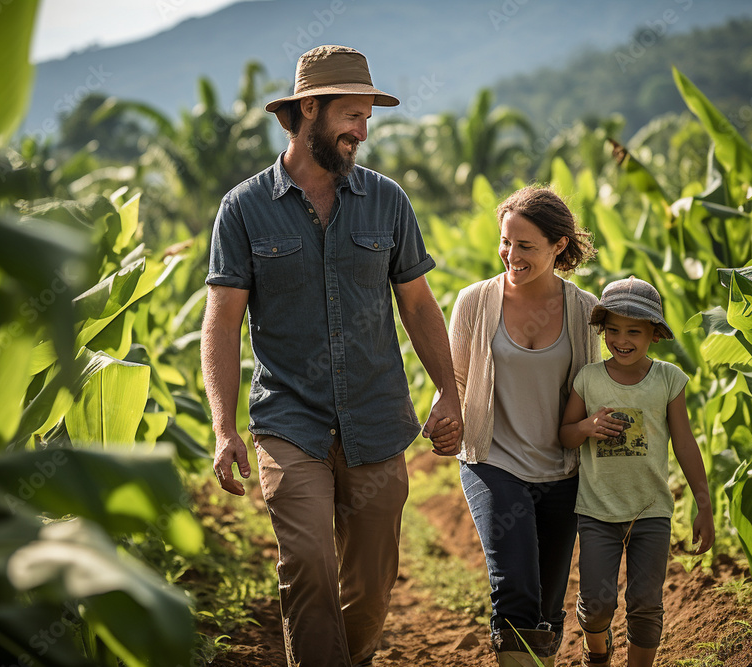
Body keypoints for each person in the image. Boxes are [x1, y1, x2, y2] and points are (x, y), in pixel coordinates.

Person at [201, 44, 463, 667]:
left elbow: (420, 307)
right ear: (308, 110)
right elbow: (222, 323)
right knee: (310, 565)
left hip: (376, 418)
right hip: (289, 420)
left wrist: (451, 391)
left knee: (370, 588)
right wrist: (222, 426)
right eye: (351, 116)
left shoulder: (387, 202)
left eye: (367, 118)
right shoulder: (244, 209)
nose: (361, 132)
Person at [447, 186, 624, 666]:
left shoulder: (584, 311)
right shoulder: (474, 302)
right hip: (492, 460)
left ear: (558, 246)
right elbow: (456, 380)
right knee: (516, 586)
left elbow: (596, 388)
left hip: (562, 471)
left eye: (526, 246)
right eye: (506, 242)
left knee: (547, 603)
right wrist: (444, 417)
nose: (511, 255)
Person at [559, 276, 715, 667]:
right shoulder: (588, 378)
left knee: (646, 603)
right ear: (602, 331)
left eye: (634, 331)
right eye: (612, 330)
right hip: (597, 511)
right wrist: (587, 427)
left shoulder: (668, 380)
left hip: (652, 510)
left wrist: (704, 504)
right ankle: (597, 652)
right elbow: (565, 435)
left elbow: (684, 444)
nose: (621, 340)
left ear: (654, 334)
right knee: (597, 604)